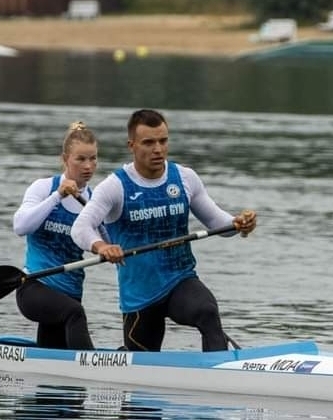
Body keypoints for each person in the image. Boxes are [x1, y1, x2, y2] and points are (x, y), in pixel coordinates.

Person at [71, 108, 257, 352]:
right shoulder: (115, 187)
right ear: (132, 145)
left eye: (163, 141)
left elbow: (217, 223)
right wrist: (102, 246)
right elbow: (80, 228)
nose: (158, 149)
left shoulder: (185, 178)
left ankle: (219, 376)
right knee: (141, 361)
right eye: (148, 142)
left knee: (207, 311)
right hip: (140, 296)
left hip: (180, 281)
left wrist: (239, 224)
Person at [12, 120, 99, 350]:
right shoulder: (43, 188)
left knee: (52, 355)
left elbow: (107, 242)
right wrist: (57, 197)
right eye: (81, 159)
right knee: (75, 314)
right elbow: (20, 226)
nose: (88, 166)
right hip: (34, 287)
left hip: (70, 292)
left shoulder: (95, 201)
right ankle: (92, 372)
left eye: (93, 158)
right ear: (65, 159)